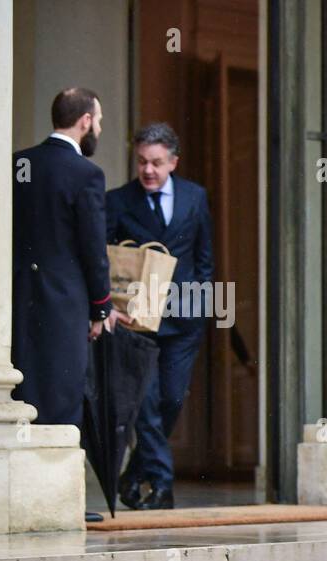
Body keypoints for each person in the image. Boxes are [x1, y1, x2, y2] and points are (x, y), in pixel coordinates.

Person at [106, 122, 215, 510]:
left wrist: (202, 307)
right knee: (144, 402)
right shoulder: (117, 201)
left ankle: (133, 475)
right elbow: (105, 260)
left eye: (155, 163)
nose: (148, 171)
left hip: (184, 317)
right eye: (141, 163)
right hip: (137, 318)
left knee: (169, 400)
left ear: (173, 162)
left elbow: (204, 258)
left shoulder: (194, 197)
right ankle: (162, 483)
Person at [11, 88, 128, 431]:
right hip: (65, 302)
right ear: (85, 121)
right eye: (100, 121)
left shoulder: (22, 162)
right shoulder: (86, 173)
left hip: (19, 295)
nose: (100, 130)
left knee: (25, 385)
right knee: (61, 395)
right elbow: (93, 250)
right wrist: (101, 307)